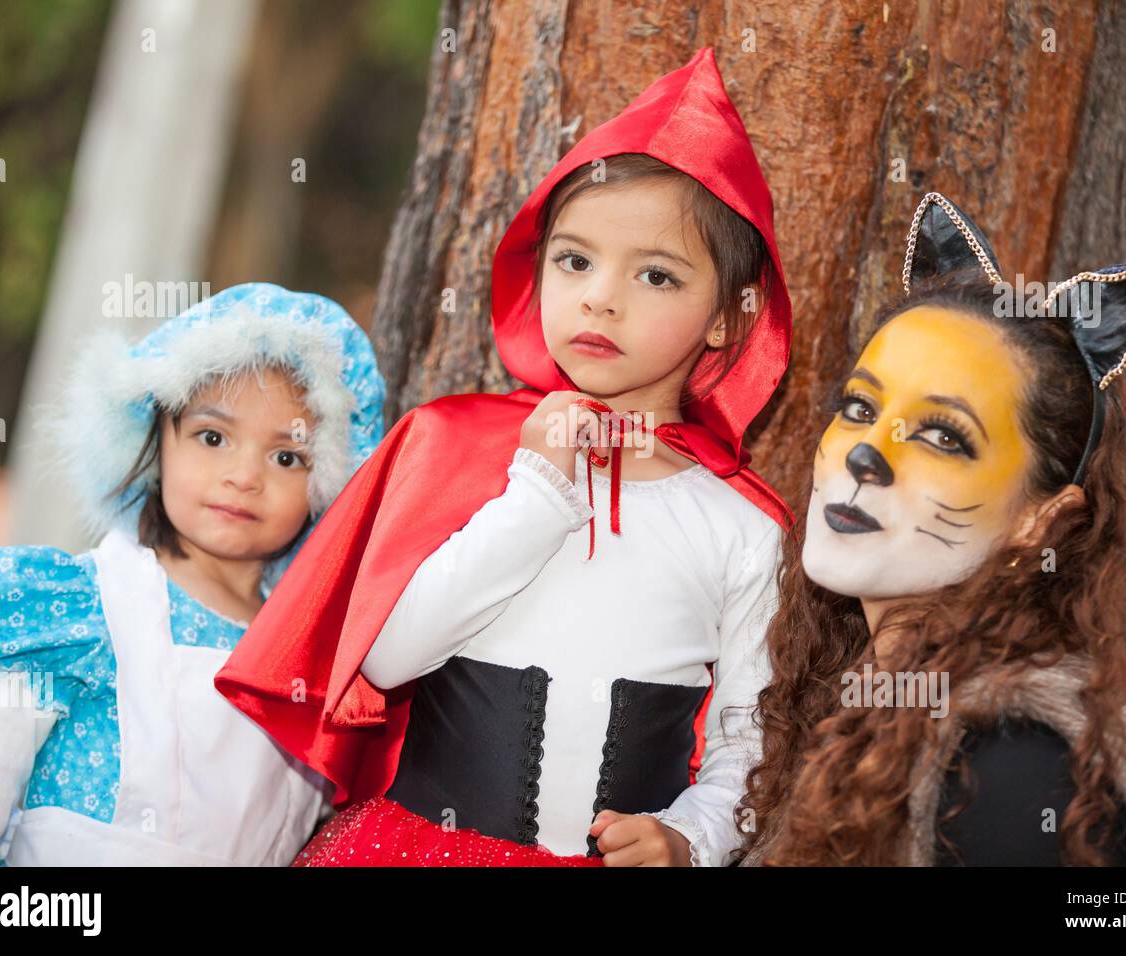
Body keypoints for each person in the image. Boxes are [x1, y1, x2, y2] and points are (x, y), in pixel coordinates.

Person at [215, 47, 793, 867]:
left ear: (731, 317)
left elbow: (750, 738)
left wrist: (690, 836)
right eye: (576, 260)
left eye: (658, 276)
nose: (602, 295)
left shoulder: (743, 528)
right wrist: (538, 496)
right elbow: (385, 656)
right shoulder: (453, 447)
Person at [737, 193, 1126, 866]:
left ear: (1042, 520)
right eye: (859, 407)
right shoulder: (857, 699)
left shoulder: (1016, 762)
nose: (866, 454)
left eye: (944, 436)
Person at [0, 283, 385, 865]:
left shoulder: (313, 661)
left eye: (287, 457)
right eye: (213, 437)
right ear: (156, 440)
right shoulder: (77, 609)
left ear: (327, 484)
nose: (242, 476)